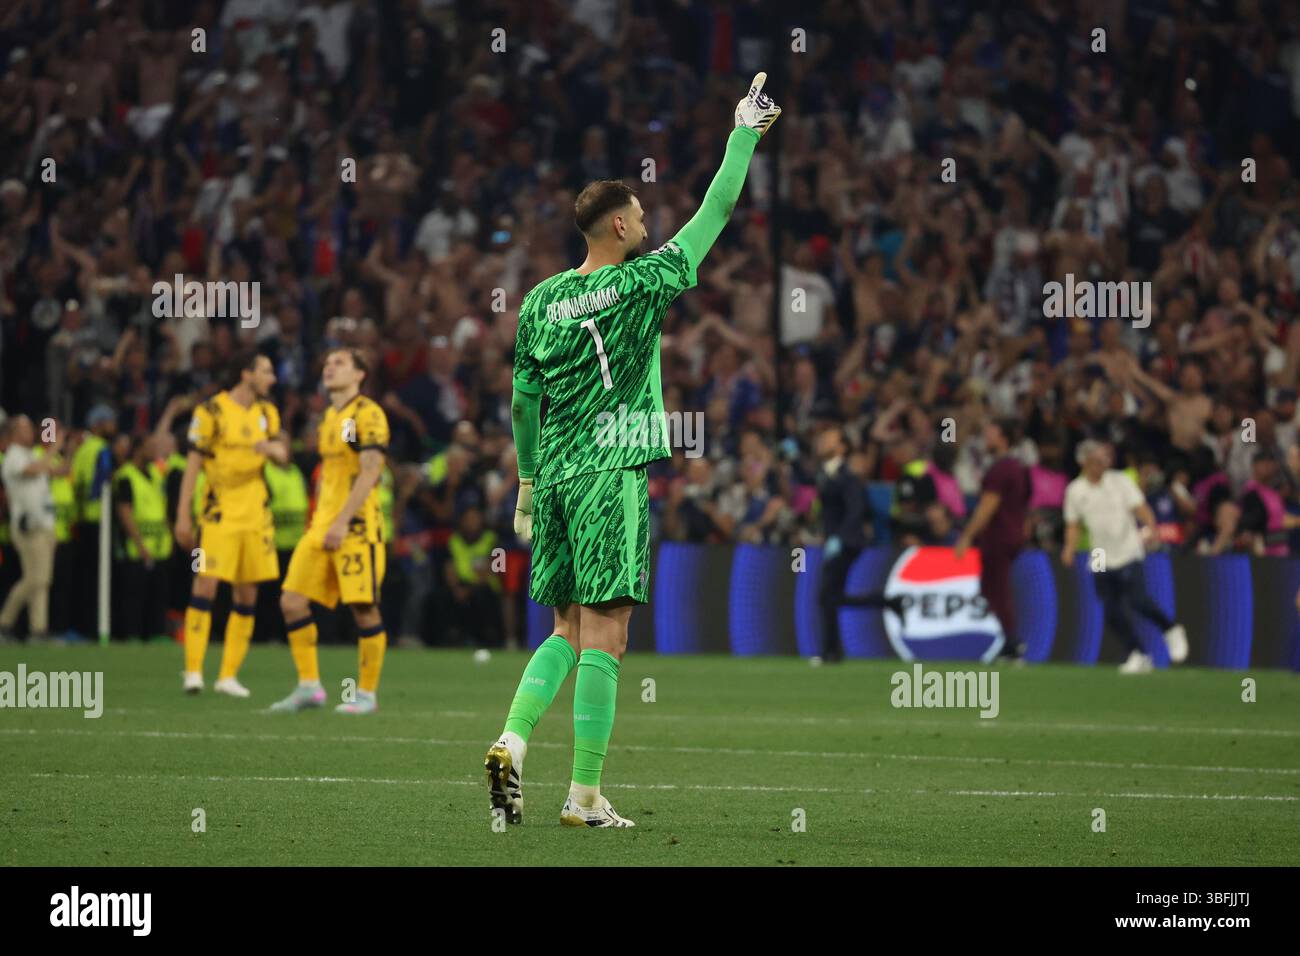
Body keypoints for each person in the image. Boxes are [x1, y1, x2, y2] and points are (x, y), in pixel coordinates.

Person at [483, 74, 781, 828]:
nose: (648, 223)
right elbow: (717, 211)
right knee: (608, 637)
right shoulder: (645, 282)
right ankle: (583, 796)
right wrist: (743, 130)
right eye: (640, 215)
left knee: (564, 629)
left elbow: (522, 402)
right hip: (611, 468)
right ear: (616, 227)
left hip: (550, 476)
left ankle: (513, 741)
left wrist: (524, 481)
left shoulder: (542, 300)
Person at [269, 348, 391, 715]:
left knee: (363, 608)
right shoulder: (328, 418)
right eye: (326, 363)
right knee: (291, 601)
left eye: (339, 363)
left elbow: (371, 472)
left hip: (356, 527)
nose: (329, 367)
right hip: (321, 526)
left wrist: (341, 520)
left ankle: (366, 694)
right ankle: (309, 687)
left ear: (359, 375)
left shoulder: (367, 413)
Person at [174, 353, 288, 696]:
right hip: (217, 513)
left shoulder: (268, 412)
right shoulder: (210, 411)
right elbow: (193, 465)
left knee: (247, 594)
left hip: (256, 516)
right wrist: (183, 515)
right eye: (266, 371)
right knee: (205, 585)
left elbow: (283, 456)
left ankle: (227, 676)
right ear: (246, 373)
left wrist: (274, 450)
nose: (272, 378)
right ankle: (193, 671)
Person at [1061, 440, 1190, 673]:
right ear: (1085, 462)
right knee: (1110, 609)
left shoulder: (1120, 481)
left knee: (1138, 600)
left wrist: (1151, 528)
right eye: (1097, 459)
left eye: (1104, 459)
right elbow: (1073, 524)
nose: (1102, 463)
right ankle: (1138, 653)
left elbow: (1140, 508)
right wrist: (1069, 548)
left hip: (1128, 547)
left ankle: (1170, 629)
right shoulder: (1075, 490)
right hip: (1099, 552)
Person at [954, 418, 1031, 660]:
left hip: (998, 535)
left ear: (1004, 438)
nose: (987, 436)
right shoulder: (1019, 468)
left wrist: (967, 536)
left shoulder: (1001, 470)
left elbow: (988, 505)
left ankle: (1013, 643)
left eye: (992, 432)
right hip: (1013, 534)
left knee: (996, 589)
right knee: (992, 588)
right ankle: (1009, 642)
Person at [0, 415, 67, 643]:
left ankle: (38, 630)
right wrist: (54, 447)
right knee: (35, 579)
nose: (30, 431)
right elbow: (34, 469)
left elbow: (59, 471)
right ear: (13, 433)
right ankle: (4, 623)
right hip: (28, 526)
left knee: (41, 581)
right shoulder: (13, 456)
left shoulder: (31, 454)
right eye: (25, 427)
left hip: (44, 525)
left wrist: (70, 450)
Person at [815, 426, 868, 663]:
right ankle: (832, 652)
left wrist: (840, 537)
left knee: (828, 596)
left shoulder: (847, 476)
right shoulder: (825, 473)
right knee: (832, 597)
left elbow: (855, 510)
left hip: (846, 543)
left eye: (829, 437)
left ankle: (831, 652)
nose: (822, 440)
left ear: (842, 447)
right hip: (835, 540)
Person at [113, 432, 171, 641]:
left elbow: (160, 507)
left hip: (159, 543)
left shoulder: (156, 473)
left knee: (157, 593)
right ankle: (132, 634)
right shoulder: (126, 476)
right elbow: (125, 512)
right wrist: (139, 544)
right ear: (138, 449)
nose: (155, 451)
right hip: (137, 545)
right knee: (134, 594)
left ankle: (155, 633)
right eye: (150, 446)